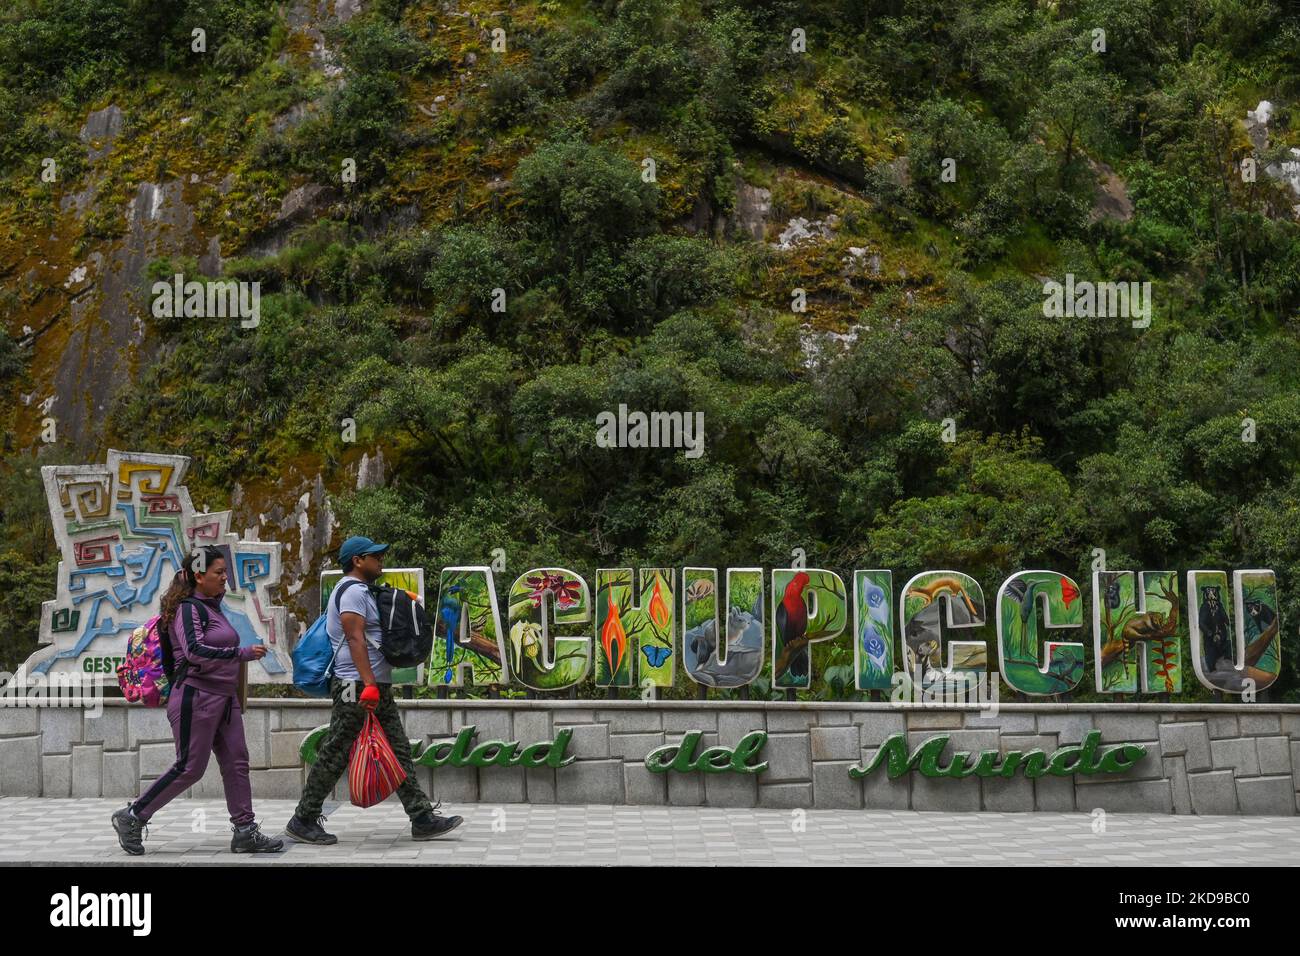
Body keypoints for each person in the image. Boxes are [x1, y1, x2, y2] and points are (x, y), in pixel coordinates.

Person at [285, 536, 462, 844]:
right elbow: (355, 638)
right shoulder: (352, 591)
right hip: (355, 685)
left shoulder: (364, 591)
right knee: (337, 751)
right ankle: (303, 818)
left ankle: (421, 818)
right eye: (374, 556)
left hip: (372, 684)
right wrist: (368, 684)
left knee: (397, 748)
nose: (381, 560)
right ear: (357, 561)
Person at [112, 545, 284, 855]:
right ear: (199, 575)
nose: (225, 578)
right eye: (219, 572)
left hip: (224, 698)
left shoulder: (213, 607)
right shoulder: (188, 608)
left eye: (225, 572)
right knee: (190, 767)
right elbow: (194, 652)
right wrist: (240, 653)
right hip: (196, 696)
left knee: (236, 761)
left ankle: (245, 830)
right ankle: (133, 815)